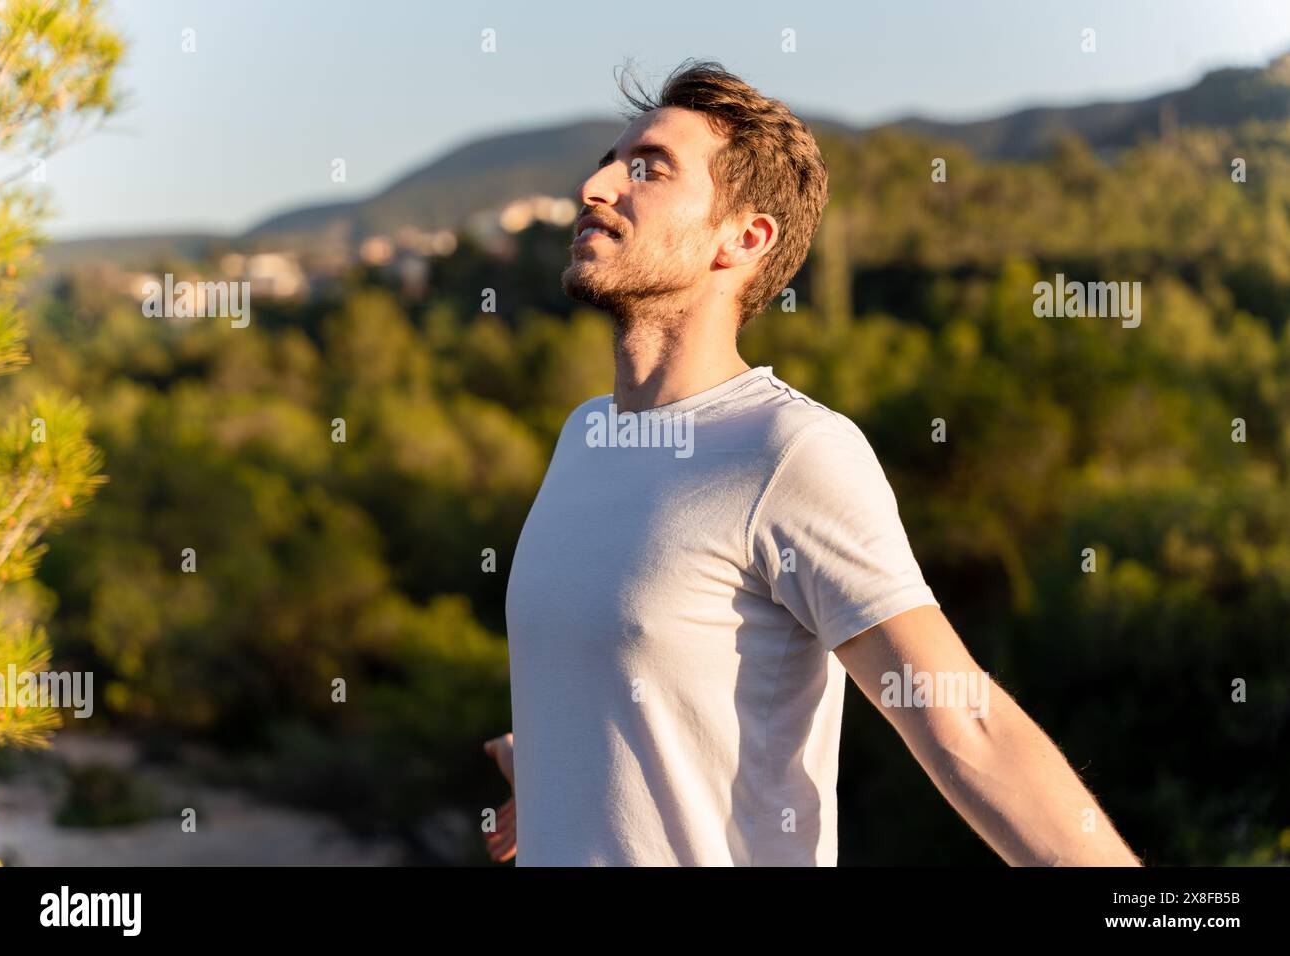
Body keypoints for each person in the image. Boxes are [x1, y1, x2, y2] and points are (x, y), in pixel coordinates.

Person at [483, 60, 1140, 867]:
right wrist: (558, 767)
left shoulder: (788, 453)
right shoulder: (584, 436)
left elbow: (970, 729)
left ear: (744, 237)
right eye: (609, 162)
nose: (596, 186)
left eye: (648, 167)